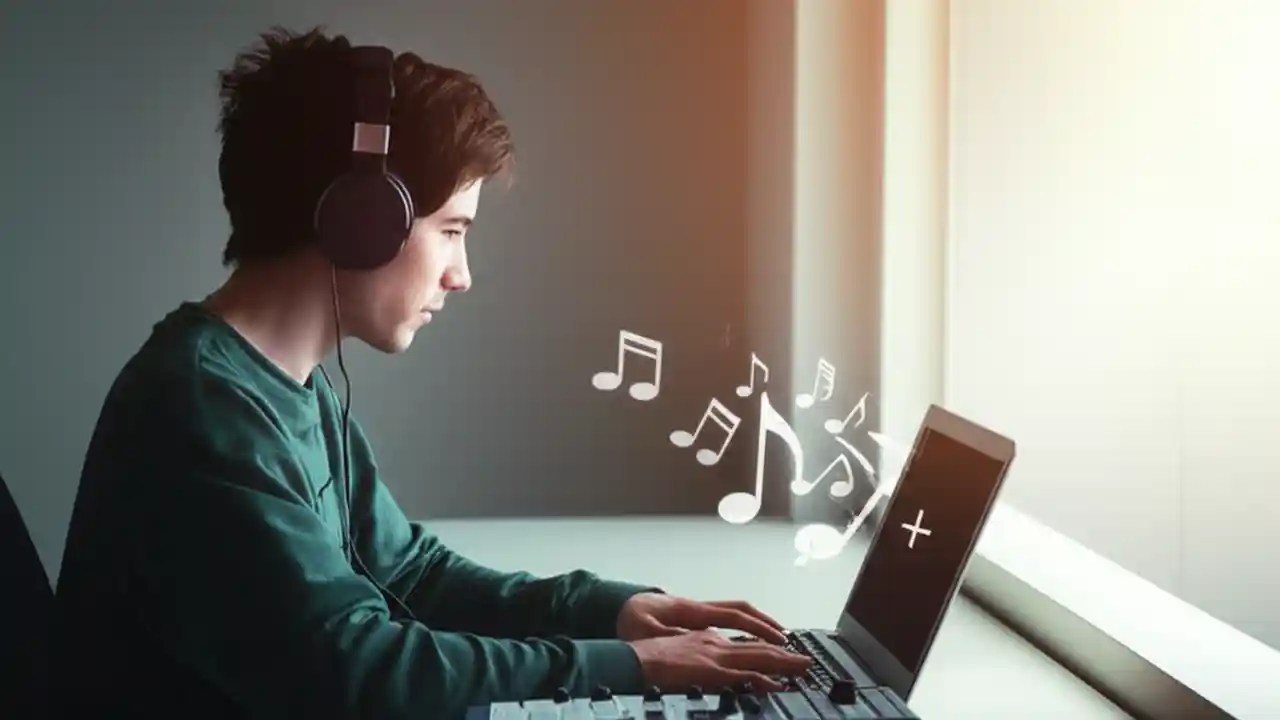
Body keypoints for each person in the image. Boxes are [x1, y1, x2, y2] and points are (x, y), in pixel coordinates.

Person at [50, 25, 811, 719]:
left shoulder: (287, 388)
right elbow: (358, 672)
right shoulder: (201, 411)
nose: (461, 274)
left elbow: (408, 575)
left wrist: (609, 613)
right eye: (450, 231)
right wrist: (630, 668)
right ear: (360, 219)